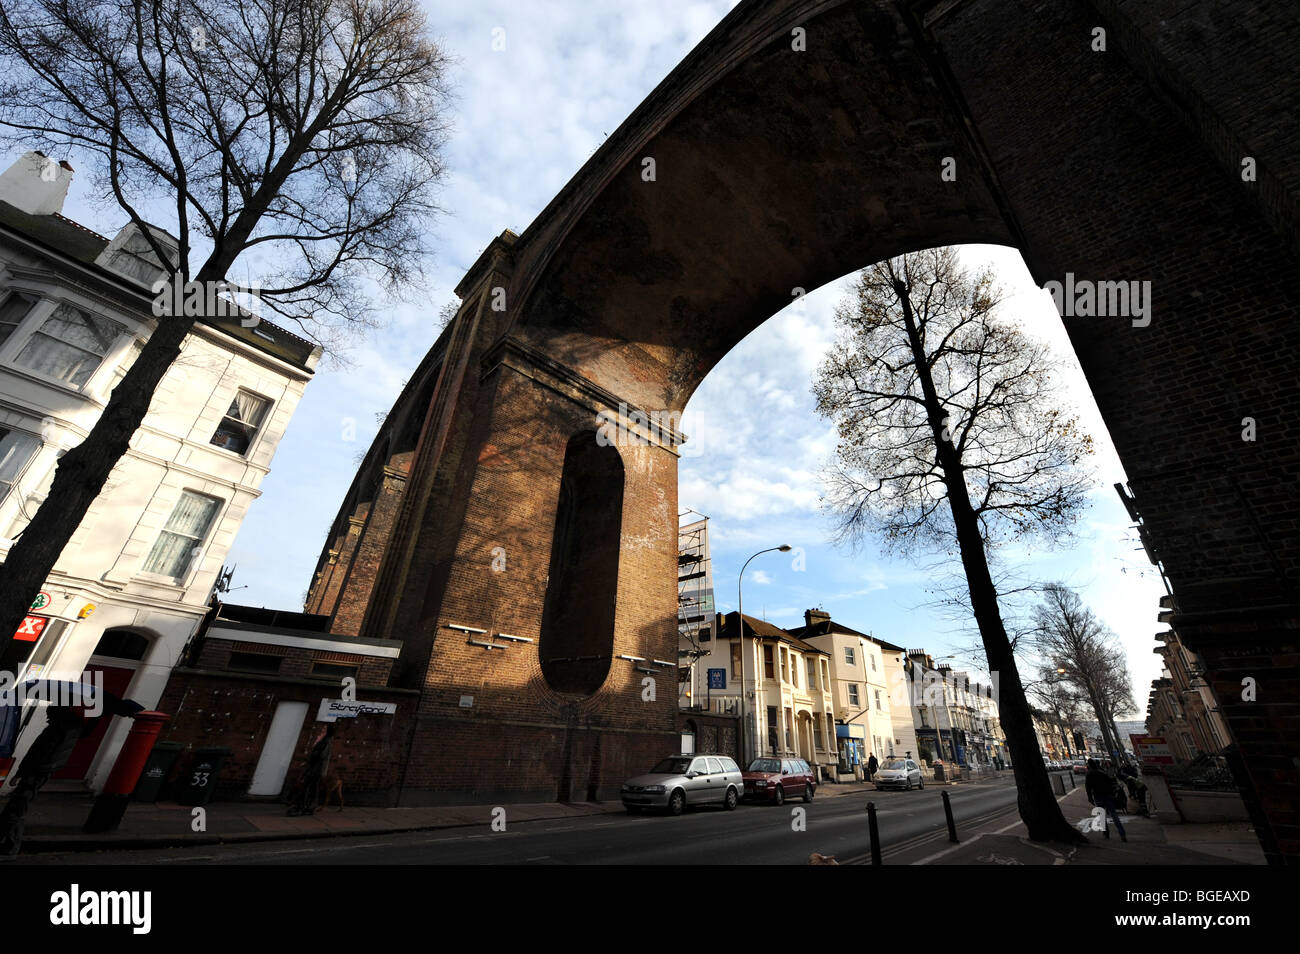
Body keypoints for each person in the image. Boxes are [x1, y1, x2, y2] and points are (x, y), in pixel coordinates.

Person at [1085, 758, 1127, 842]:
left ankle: (1106, 833)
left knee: (1102, 815)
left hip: (1098, 796)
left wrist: (1090, 797)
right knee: (1114, 814)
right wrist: (1112, 794)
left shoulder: (1089, 774)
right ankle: (1122, 833)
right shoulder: (1102, 773)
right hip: (1108, 795)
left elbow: (1088, 787)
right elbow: (1110, 784)